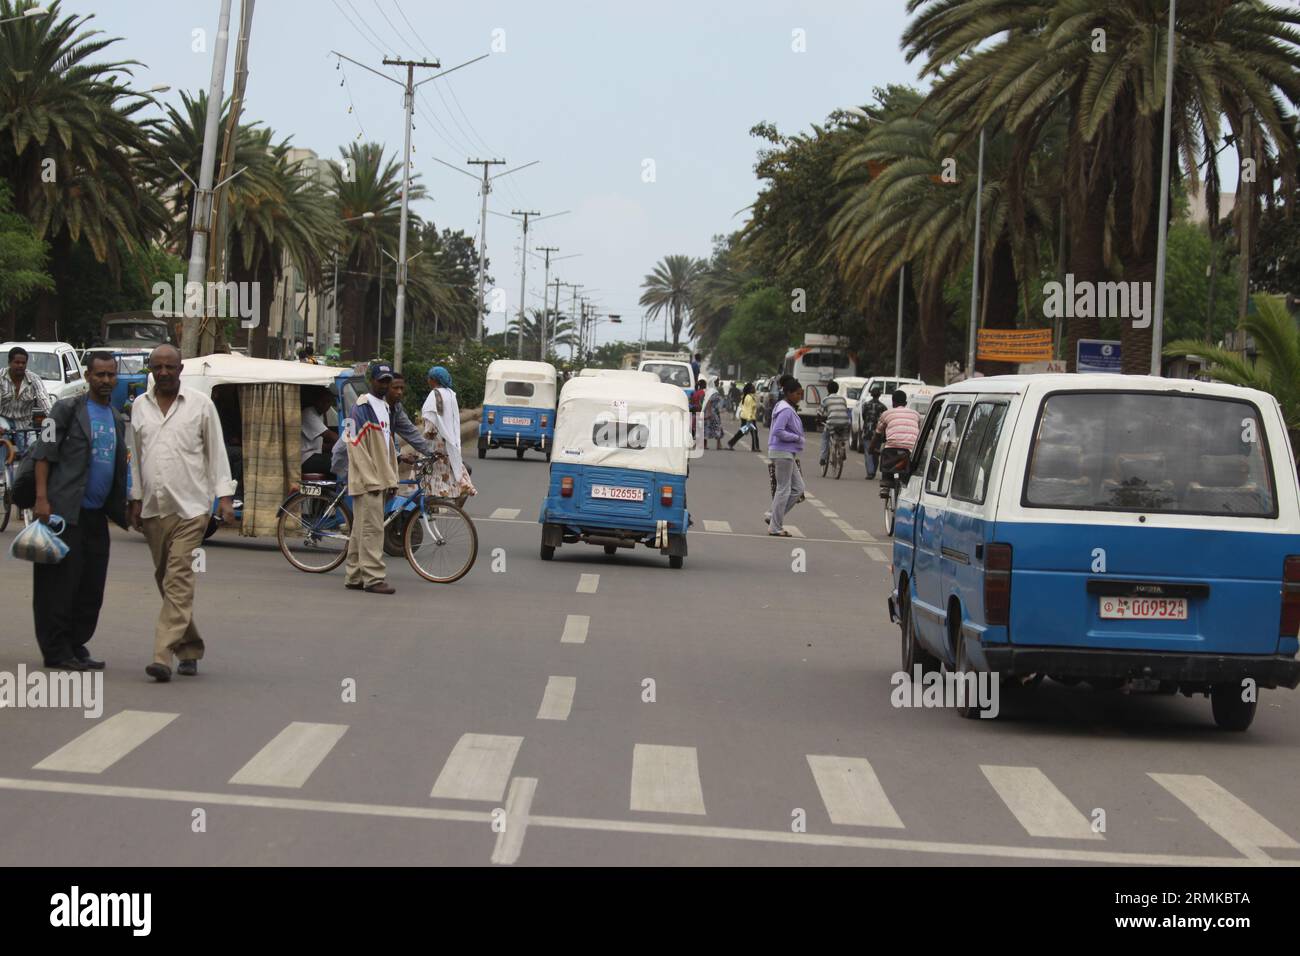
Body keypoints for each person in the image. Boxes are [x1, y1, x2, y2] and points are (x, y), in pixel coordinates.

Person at [128, 345, 237, 682]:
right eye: (157, 367)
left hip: (191, 509)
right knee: (166, 580)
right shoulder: (139, 407)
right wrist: (134, 498)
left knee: (178, 579)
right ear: (151, 370)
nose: (163, 373)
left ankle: (163, 655)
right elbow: (136, 454)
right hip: (153, 509)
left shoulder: (200, 406)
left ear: (180, 370)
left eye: (170, 367)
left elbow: (216, 452)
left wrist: (224, 498)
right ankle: (189, 646)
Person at [29, 352, 129, 671]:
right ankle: (56, 651)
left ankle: (75, 643)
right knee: (58, 587)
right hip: (63, 513)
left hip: (96, 516)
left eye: (111, 375)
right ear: (87, 376)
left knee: (91, 585)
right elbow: (43, 455)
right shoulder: (66, 409)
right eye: (99, 374)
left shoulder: (115, 418)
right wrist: (42, 499)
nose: (105, 381)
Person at [343, 361, 399, 595]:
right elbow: (352, 443)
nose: (385, 385)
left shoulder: (385, 407)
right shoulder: (360, 407)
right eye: (381, 380)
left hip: (380, 478)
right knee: (372, 530)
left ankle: (354, 575)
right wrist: (371, 479)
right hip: (368, 481)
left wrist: (391, 477)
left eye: (388, 381)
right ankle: (374, 578)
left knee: (360, 529)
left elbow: (386, 444)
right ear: (371, 380)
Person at [420, 366, 476, 505]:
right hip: (450, 441)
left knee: (425, 474)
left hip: (436, 442)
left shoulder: (434, 395)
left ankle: (427, 506)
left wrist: (425, 442)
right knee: (448, 473)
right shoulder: (451, 394)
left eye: (429, 378)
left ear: (433, 380)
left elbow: (430, 422)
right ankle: (458, 493)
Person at [766, 377, 805, 537]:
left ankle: (772, 515)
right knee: (784, 489)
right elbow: (778, 431)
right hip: (782, 452)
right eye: (797, 393)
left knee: (798, 488)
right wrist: (796, 438)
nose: (799, 396)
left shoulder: (786, 407)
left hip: (787, 452)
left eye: (801, 394)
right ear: (788, 393)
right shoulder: (786, 410)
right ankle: (775, 527)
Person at [871, 390, 922, 498]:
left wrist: (871, 448)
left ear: (893, 403)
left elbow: (877, 434)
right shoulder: (916, 414)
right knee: (911, 471)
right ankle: (910, 486)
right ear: (906, 402)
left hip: (892, 450)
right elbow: (920, 432)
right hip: (911, 450)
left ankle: (885, 485)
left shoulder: (886, 414)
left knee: (886, 454)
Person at [1, 346, 52, 453]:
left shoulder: (34, 379)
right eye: (17, 362)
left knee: (33, 452)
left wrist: (55, 419)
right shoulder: (1, 377)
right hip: (2, 419)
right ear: (9, 363)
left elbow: (44, 401)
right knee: (2, 441)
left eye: (23, 363)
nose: (20, 365)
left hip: (24, 422)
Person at [300, 386, 338, 476]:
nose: (325, 405)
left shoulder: (319, 414)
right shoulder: (308, 413)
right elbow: (331, 436)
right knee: (342, 462)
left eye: (328, 402)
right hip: (306, 459)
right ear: (316, 400)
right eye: (322, 401)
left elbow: (319, 445)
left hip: (315, 455)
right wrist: (349, 444)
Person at [817, 380, 852, 467]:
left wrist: (818, 421)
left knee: (825, 437)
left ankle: (823, 458)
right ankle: (842, 447)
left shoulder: (826, 399)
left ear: (827, 389)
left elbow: (819, 413)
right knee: (842, 435)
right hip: (845, 421)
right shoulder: (842, 399)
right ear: (837, 389)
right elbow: (843, 410)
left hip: (832, 421)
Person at [860, 385, 887, 479]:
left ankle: (870, 472)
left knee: (868, 452)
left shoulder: (865, 405)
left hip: (867, 432)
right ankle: (873, 471)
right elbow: (885, 422)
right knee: (875, 453)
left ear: (871, 394)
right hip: (878, 434)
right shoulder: (883, 407)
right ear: (879, 395)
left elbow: (863, 417)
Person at [727, 383, 761, 451]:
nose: (754, 389)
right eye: (753, 388)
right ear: (750, 389)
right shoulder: (749, 398)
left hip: (746, 417)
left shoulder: (749, 396)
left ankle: (731, 443)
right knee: (754, 432)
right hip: (749, 418)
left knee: (742, 432)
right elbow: (749, 409)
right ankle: (755, 447)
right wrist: (749, 420)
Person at [702, 378, 726, 450]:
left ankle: (706, 444)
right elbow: (709, 402)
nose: (718, 383)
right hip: (712, 412)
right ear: (713, 382)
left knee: (707, 427)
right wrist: (709, 413)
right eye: (717, 382)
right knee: (717, 427)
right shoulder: (713, 391)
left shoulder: (709, 391)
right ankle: (718, 445)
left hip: (710, 411)